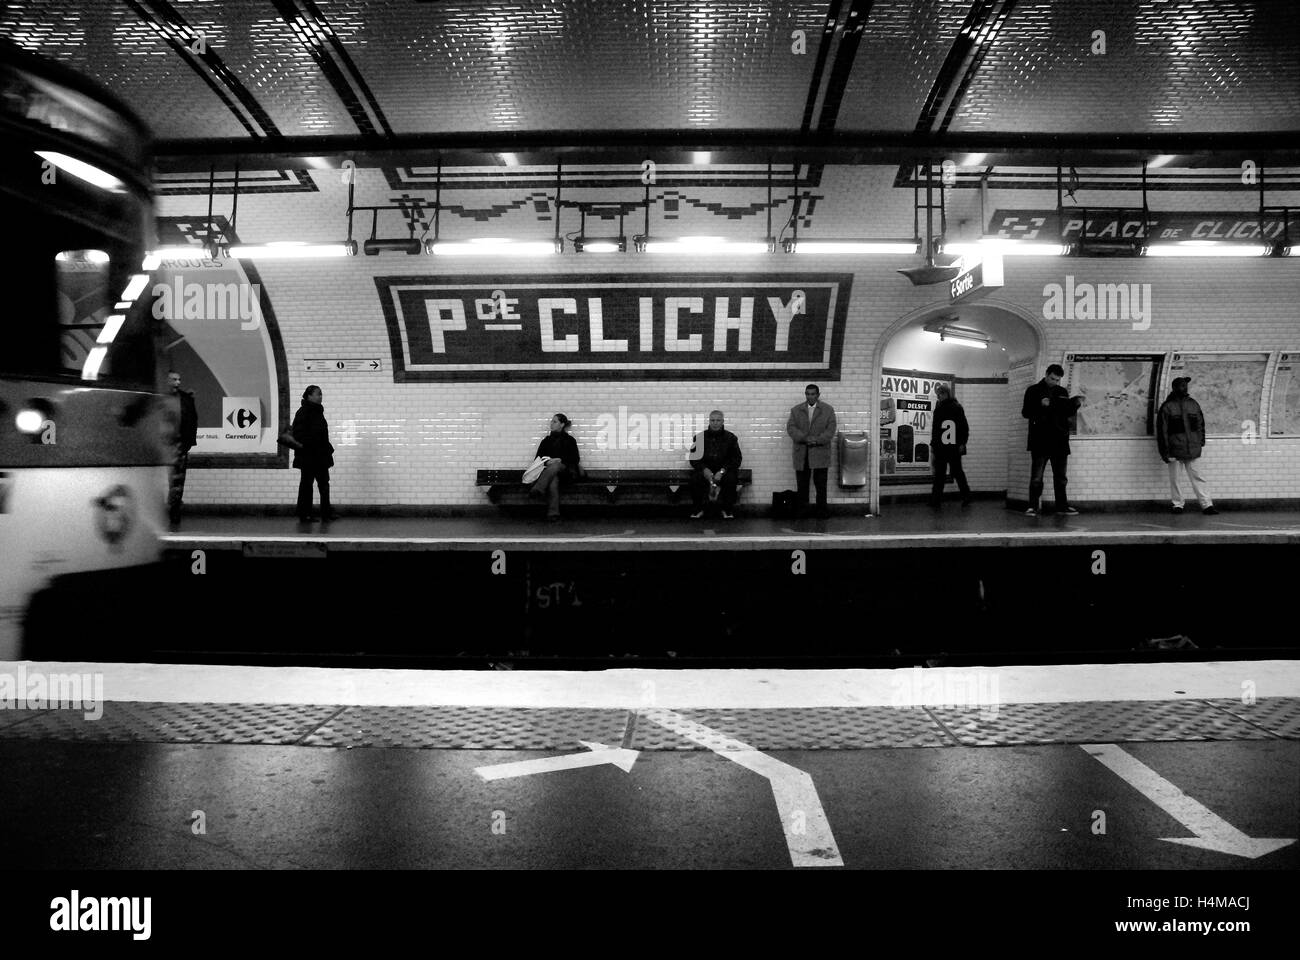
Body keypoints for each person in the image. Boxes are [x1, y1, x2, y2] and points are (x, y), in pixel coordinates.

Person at [1021, 364, 1082, 516]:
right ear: (1046, 374)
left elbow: (1066, 413)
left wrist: (1075, 405)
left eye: (1057, 380)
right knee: (1037, 477)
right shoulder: (1033, 390)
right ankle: (1033, 506)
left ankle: (1062, 506)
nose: (1054, 382)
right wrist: (1040, 405)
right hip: (1040, 440)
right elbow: (1025, 412)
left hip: (1059, 440)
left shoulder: (1061, 391)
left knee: (1061, 477)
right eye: (1052, 378)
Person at [1157, 376, 1217, 515]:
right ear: (1176, 387)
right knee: (1176, 479)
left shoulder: (1191, 404)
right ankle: (1180, 504)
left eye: (1185, 385)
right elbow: (1162, 432)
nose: (1185, 388)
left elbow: (1200, 425)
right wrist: (1165, 453)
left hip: (1190, 448)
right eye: (1183, 385)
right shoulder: (1169, 407)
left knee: (1196, 477)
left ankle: (1205, 505)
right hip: (1175, 450)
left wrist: (1201, 441)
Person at [286, 385, 336, 523]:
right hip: (309, 456)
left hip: (320, 455)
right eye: (318, 394)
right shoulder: (303, 412)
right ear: (309, 396)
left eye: (321, 394)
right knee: (307, 485)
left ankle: (326, 513)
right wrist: (313, 445)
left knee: (323, 484)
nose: (321, 396)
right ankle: (305, 514)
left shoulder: (317, 411)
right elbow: (298, 434)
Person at [787, 384, 837, 518]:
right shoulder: (796, 410)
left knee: (821, 485)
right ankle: (803, 511)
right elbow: (791, 428)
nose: (810, 396)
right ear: (805, 394)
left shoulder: (828, 410)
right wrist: (804, 438)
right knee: (802, 485)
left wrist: (815, 440)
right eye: (808, 394)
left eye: (813, 394)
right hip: (802, 454)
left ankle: (822, 512)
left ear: (818, 395)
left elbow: (830, 430)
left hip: (820, 453)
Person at [688, 410, 743, 520]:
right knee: (695, 479)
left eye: (718, 420)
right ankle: (698, 509)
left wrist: (722, 471)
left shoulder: (731, 438)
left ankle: (727, 510)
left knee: (731, 479)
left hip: (724, 471)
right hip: (706, 470)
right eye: (713, 420)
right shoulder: (699, 438)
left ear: (723, 421)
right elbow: (693, 459)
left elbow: (736, 459)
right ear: (709, 421)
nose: (715, 423)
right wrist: (704, 469)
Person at [531, 413, 581, 521]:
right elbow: (538, 459)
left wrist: (560, 460)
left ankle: (538, 488)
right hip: (551, 475)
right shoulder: (546, 441)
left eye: (554, 422)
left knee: (557, 464)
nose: (551, 424)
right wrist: (547, 462)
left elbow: (575, 459)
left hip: (567, 473)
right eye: (551, 421)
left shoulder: (570, 440)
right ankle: (553, 513)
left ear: (562, 424)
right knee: (553, 480)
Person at [930, 384, 971, 508]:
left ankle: (936, 500)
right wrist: (963, 443)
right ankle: (966, 497)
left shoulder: (939, 408)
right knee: (958, 472)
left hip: (941, 447)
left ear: (945, 394)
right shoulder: (957, 407)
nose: (938, 397)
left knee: (939, 475)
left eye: (939, 395)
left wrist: (933, 444)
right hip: (953, 446)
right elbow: (964, 427)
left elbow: (936, 429)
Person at [165, 370, 198, 527]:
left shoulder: (186, 399)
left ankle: (175, 510)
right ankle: (172, 508)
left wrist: (189, 442)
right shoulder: (159, 399)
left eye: (179, 379)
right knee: (171, 480)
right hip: (164, 445)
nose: (177, 382)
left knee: (178, 481)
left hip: (179, 445)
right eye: (174, 379)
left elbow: (193, 420)